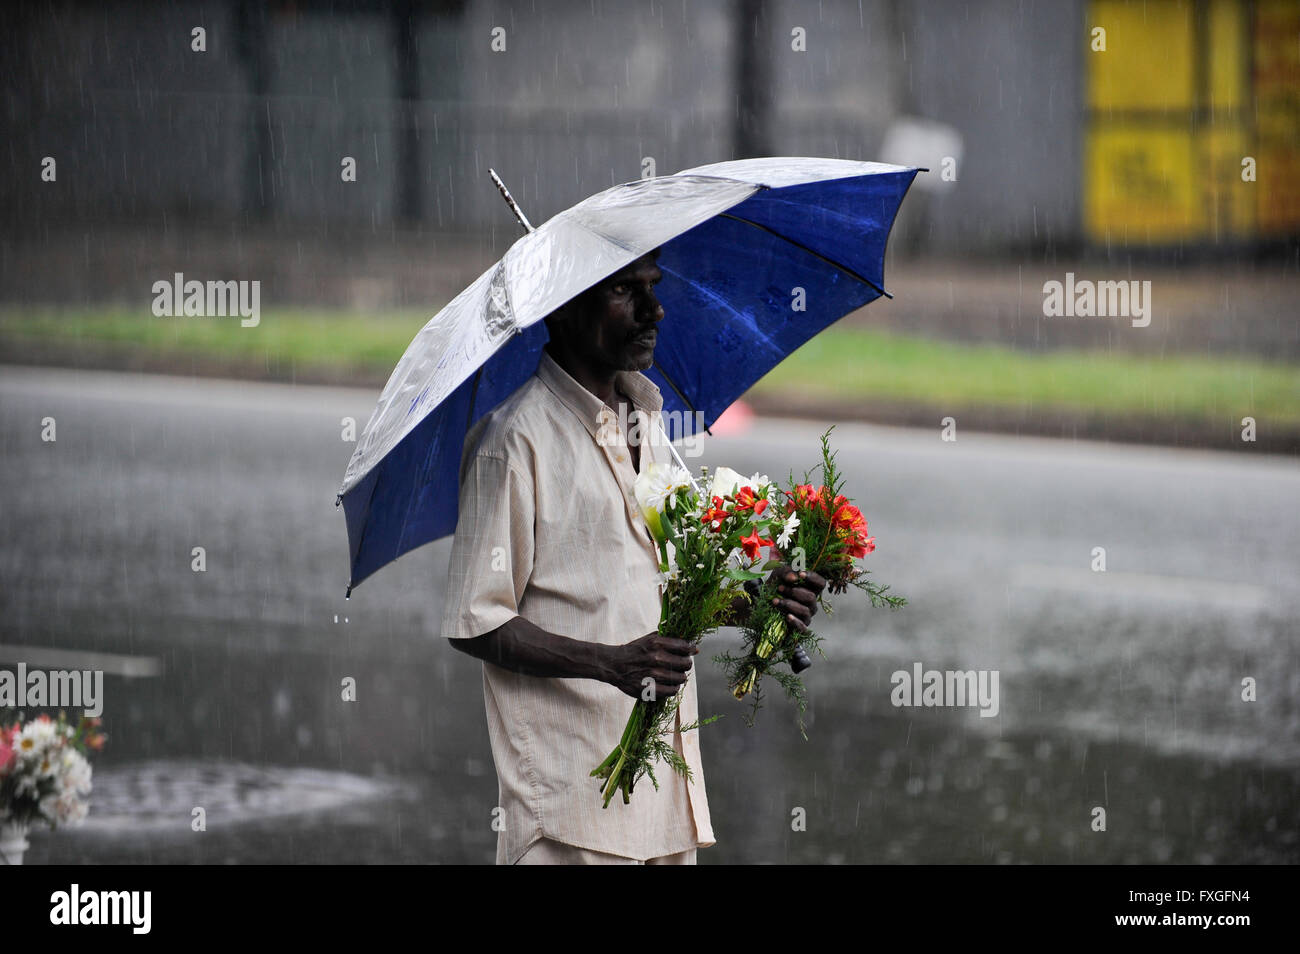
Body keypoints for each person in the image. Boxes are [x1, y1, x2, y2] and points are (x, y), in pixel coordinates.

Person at [440, 249, 825, 864]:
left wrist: (760, 605)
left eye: (653, 287)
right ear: (563, 309)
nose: (654, 310)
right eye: (626, 291)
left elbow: (666, 589)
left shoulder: (648, 429)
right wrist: (610, 663)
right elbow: (476, 621)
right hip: (568, 817)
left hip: (668, 812)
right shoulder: (513, 443)